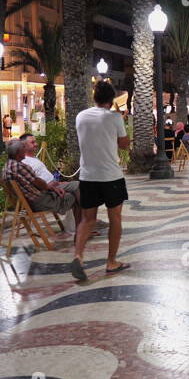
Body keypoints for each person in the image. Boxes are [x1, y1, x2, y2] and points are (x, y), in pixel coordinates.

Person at [71, 80, 130, 280]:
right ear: (111, 99)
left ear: (94, 97)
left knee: (88, 220)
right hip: (111, 176)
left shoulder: (81, 116)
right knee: (115, 219)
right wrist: (120, 117)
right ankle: (111, 262)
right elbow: (124, 145)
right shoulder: (114, 118)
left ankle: (78, 256)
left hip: (87, 176)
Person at [18, 133, 92, 234]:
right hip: (47, 192)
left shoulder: (33, 159)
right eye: (32, 142)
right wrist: (52, 187)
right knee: (79, 187)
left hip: (54, 186)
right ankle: (86, 224)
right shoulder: (25, 162)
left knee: (79, 188)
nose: (36, 144)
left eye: (35, 141)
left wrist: (59, 183)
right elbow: (34, 183)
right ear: (23, 145)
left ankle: (81, 227)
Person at [1, 138, 80, 227]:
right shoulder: (21, 167)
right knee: (74, 196)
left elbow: (37, 184)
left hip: (30, 203)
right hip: (40, 202)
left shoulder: (6, 167)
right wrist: (52, 188)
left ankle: (80, 227)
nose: (25, 150)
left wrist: (52, 188)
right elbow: (40, 184)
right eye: (23, 148)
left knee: (74, 190)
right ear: (19, 152)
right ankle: (82, 227)